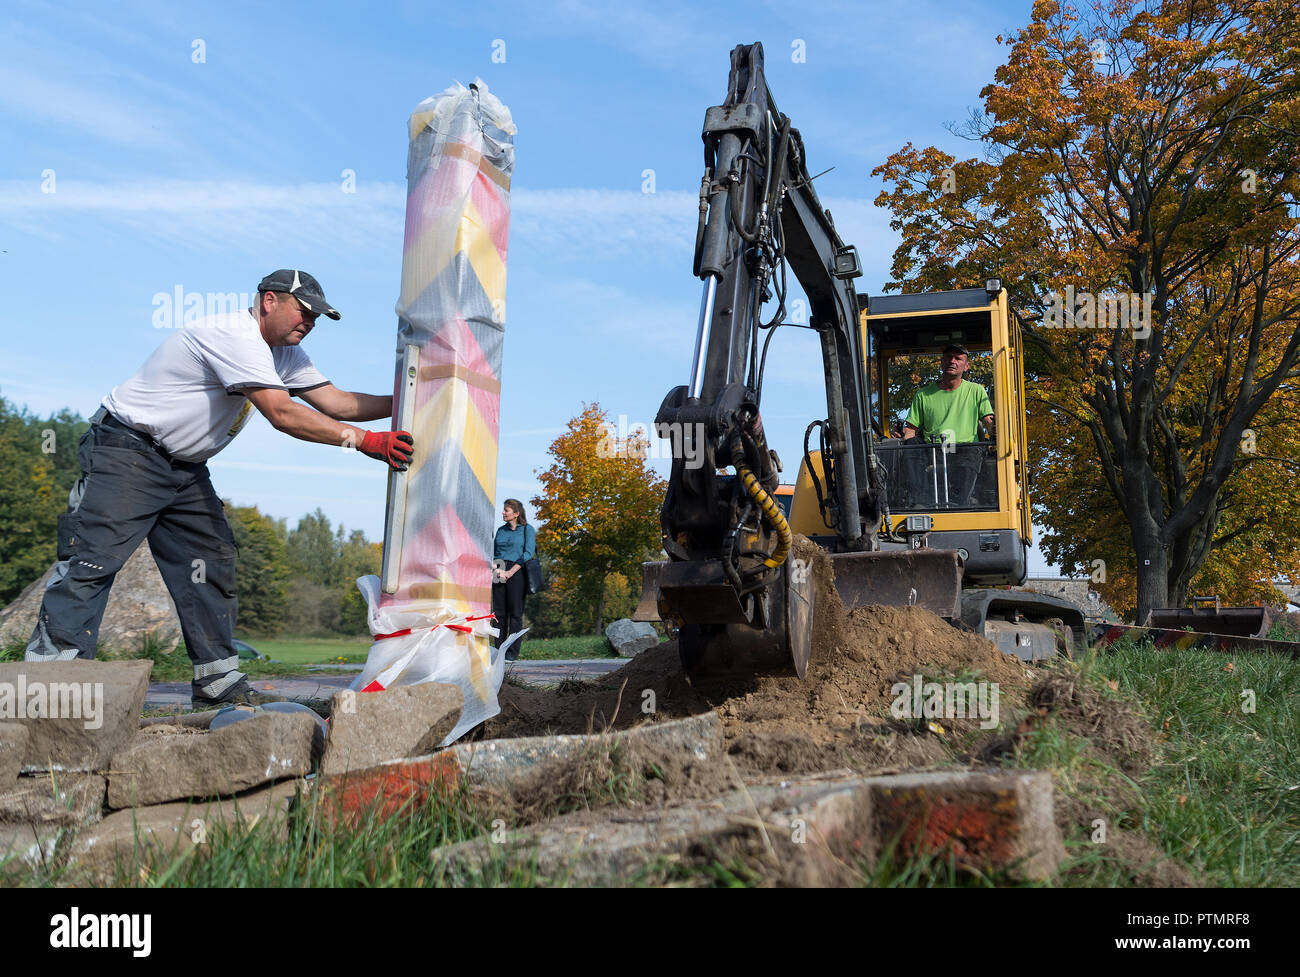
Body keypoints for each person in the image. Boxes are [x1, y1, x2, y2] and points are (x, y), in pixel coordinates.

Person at [25, 269, 415, 709]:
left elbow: (337, 402)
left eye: (316, 317)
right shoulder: (235, 335)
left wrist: (410, 400)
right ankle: (52, 685)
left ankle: (217, 685)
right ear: (269, 300)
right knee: (91, 560)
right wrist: (365, 441)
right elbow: (282, 413)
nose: (309, 322)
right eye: (303, 311)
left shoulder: (286, 354)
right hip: (127, 452)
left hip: (184, 468)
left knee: (209, 563)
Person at [901, 344, 995, 506]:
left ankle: (961, 504)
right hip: (933, 450)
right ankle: (921, 501)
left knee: (972, 451)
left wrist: (996, 427)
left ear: (966, 366)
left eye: (958, 358)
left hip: (965, 449)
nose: (952, 361)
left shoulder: (976, 391)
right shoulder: (923, 395)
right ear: (941, 363)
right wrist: (904, 440)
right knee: (912, 445)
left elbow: (988, 421)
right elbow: (910, 430)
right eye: (948, 357)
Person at [492, 499, 535, 662]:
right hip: (499, 568)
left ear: (516, 513)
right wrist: (497, 570)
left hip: (517, 570)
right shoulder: (500, 530)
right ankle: (498, 651)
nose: (503, 512)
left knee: (515, 613)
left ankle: (511, 653)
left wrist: (510, 572)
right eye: (503, 510)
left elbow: (528, 553)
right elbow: (493, 553)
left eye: (506, 510)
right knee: (498, 613)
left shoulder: (527, 530)